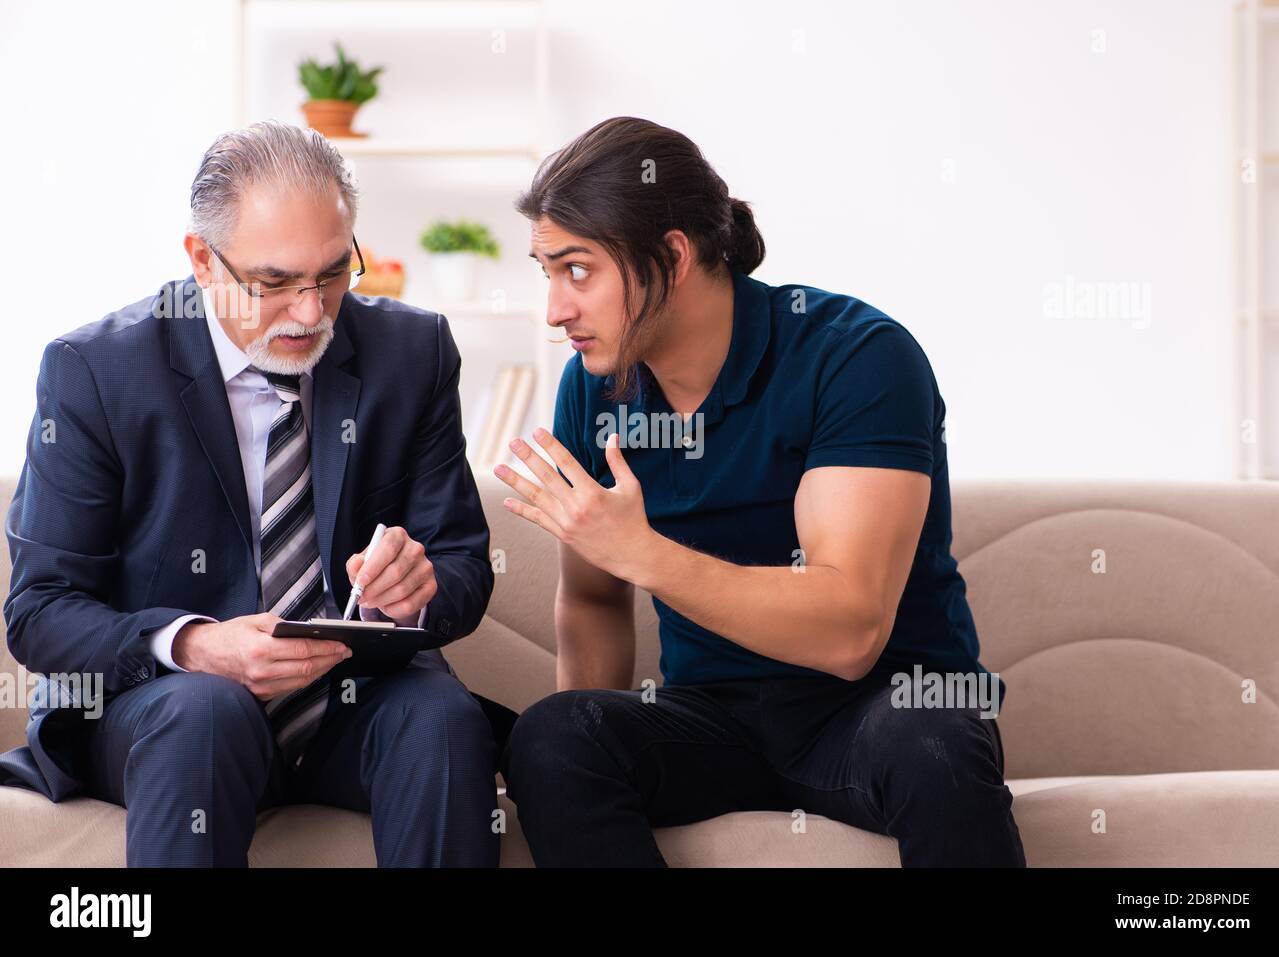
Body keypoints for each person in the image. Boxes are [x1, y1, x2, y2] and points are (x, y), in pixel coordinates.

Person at [495, 116, 1025, 867]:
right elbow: (593, 599)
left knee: (934, 736)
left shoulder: (858, 358)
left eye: (577, 270)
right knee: (550, 735)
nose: (554, 308)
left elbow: (849, 632)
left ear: (672, 256)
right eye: (545, 271)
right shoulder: (595, 390)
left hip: (883, 707)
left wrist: (642, 553)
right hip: (715, 720)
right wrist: (593, 726)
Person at [1, 120, 501, 867]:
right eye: (274, 284)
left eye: (334, 273)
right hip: (165, 709)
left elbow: (462, 560)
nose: (310, 311)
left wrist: (418, 590)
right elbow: (40, 611)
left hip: (349, 701)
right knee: (205, 709)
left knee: (441, 715)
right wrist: (197, 645)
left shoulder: (414, 353)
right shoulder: (95, 370)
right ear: (202, 260)